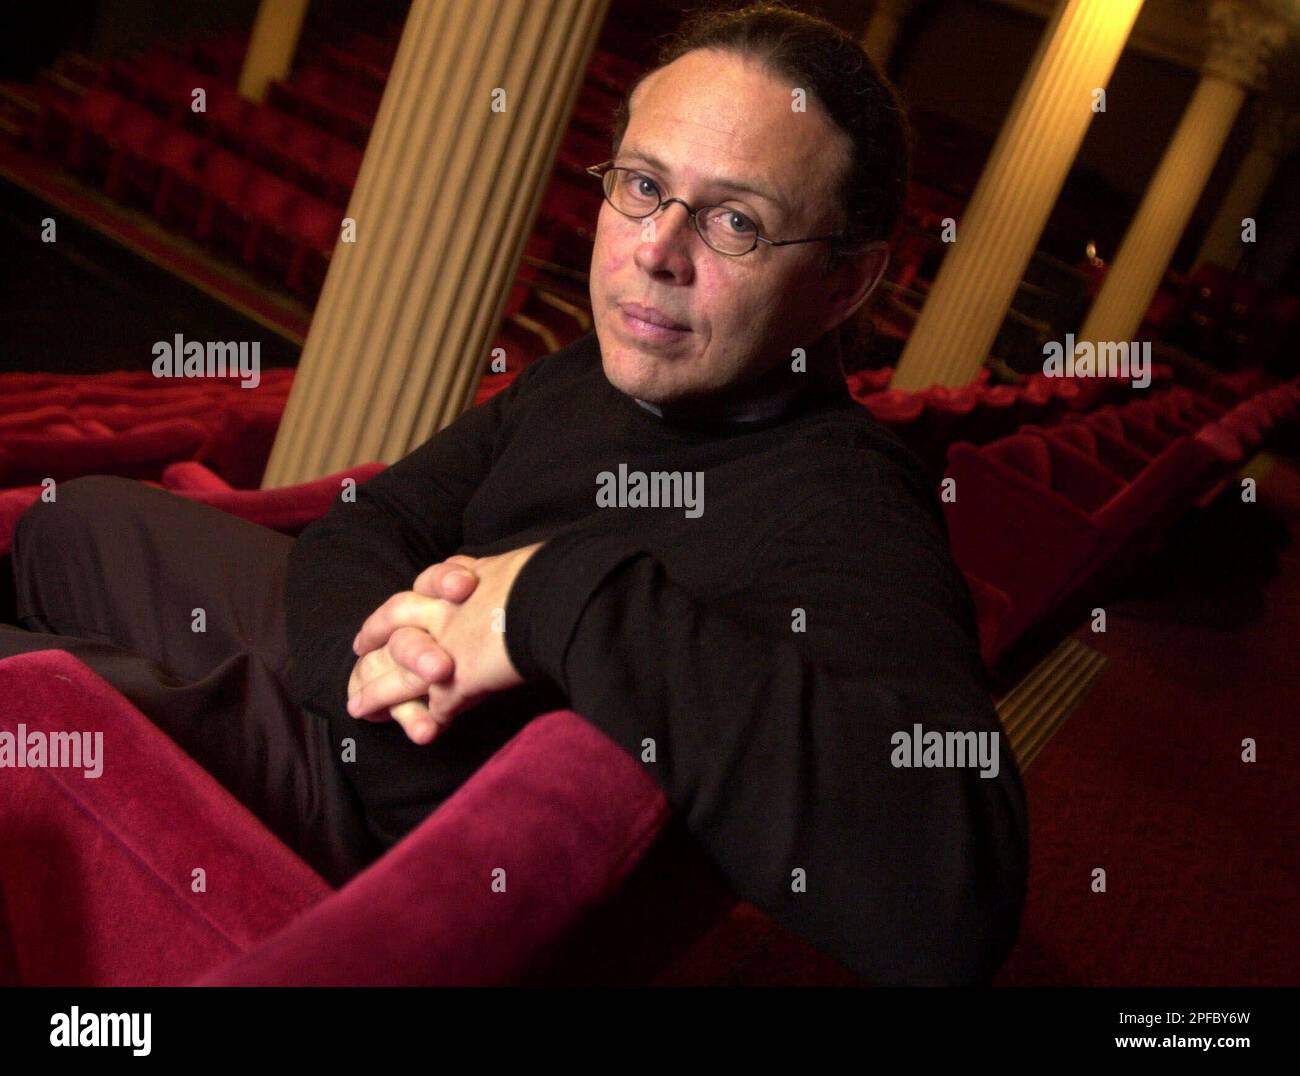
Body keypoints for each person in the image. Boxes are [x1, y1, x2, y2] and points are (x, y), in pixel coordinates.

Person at [1, 2, 1028, 985]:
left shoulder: (849, 509)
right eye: (639, 185)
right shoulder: (594, 367)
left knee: (32, 692)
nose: (654, 251)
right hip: (371, 689)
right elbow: (382, 517)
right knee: (67, 521)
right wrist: (381, 653)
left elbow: (956, 902)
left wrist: (554, 596)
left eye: (734, 222)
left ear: (843, 285)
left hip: (382, 810)